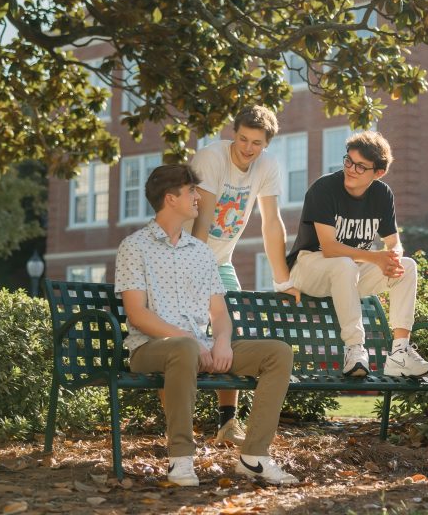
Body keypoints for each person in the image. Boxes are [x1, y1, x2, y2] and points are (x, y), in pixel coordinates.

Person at [114, 164, 299, 486]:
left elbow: (220, 313)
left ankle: (254, 457)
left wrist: (222, 342)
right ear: (170, 198)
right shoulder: (135, 246)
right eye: (191, 191)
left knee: (277, 352)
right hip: (149, 349)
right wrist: (190, 340)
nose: (198, 197)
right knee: (184, 347)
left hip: (200, 347)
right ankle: (180, 460)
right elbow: (137, 314)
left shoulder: (201, 252)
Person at [284, 131, 428, 378]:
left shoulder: (382, 194)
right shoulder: (324, 189)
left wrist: (393, 257)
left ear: (378, 173)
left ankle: (399, 354)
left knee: (407, 266)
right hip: (309, 268)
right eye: (348, 161)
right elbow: (329, 248)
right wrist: (376, 258)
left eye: (361, 167)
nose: (351, 169)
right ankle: (355, 349)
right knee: (344, 264)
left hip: (348, 275)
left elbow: (394, 242)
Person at [190, 106, 298, 445]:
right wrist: (194, 273)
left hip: (221, 260)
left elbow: (271, 223)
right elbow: (202, 220)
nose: (248, 148)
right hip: (187, 256)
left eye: (257, 143)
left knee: (232, 333)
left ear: (267, 143)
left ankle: (227, 424)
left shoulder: (267, 167)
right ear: (233, 133)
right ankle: (178, 430)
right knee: (185, 334)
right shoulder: (211, 158)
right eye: (242, 139)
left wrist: (283, 280)